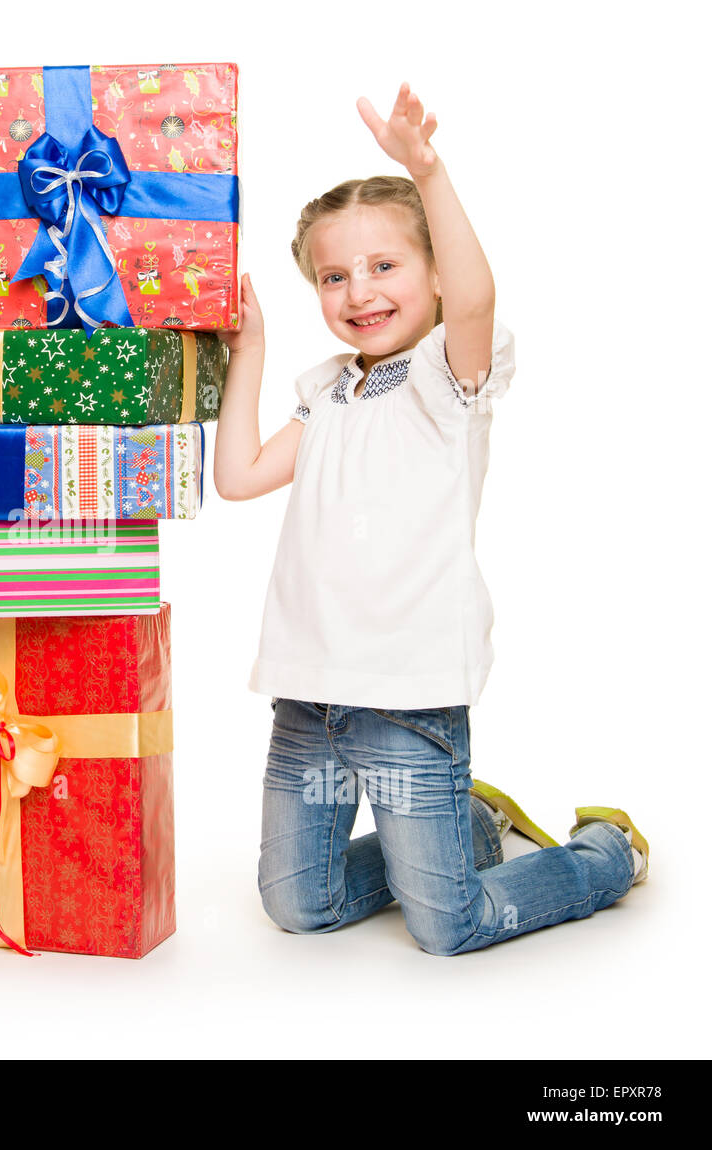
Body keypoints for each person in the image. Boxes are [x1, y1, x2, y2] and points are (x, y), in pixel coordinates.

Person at [214, 81, 647, 955]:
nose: (358, 291)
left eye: (384, 266)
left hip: (408, 705)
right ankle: (475, 825)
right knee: (299, 906)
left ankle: (607, 853)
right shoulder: (330, 392)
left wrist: (428, 171)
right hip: (312, 705)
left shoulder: (446, 384)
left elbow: (478, 300)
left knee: (448, 925)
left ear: (434, 275)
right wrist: (252, 349)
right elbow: (237, 477)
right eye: (334, 276)